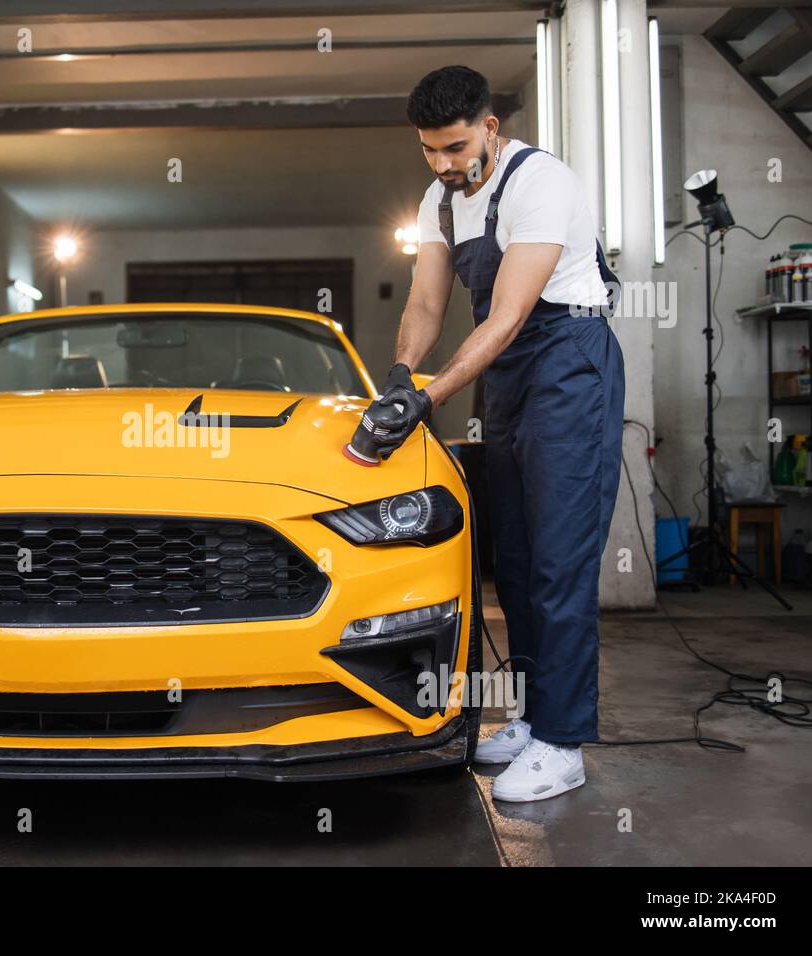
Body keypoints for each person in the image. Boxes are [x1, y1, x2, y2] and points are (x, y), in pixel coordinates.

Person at [354, 65, 625, 802]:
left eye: (455, 147)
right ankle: (536, 719)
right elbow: (427, 302)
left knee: (560, 556)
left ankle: (564, 742)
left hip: (568, 359)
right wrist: (403, 376)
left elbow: (505, 315)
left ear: (489, 128)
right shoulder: (438, 202)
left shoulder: (541, 183)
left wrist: (435, 396)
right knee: (513, 551)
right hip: (505, 374)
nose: (443, 164)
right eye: (429, 151)